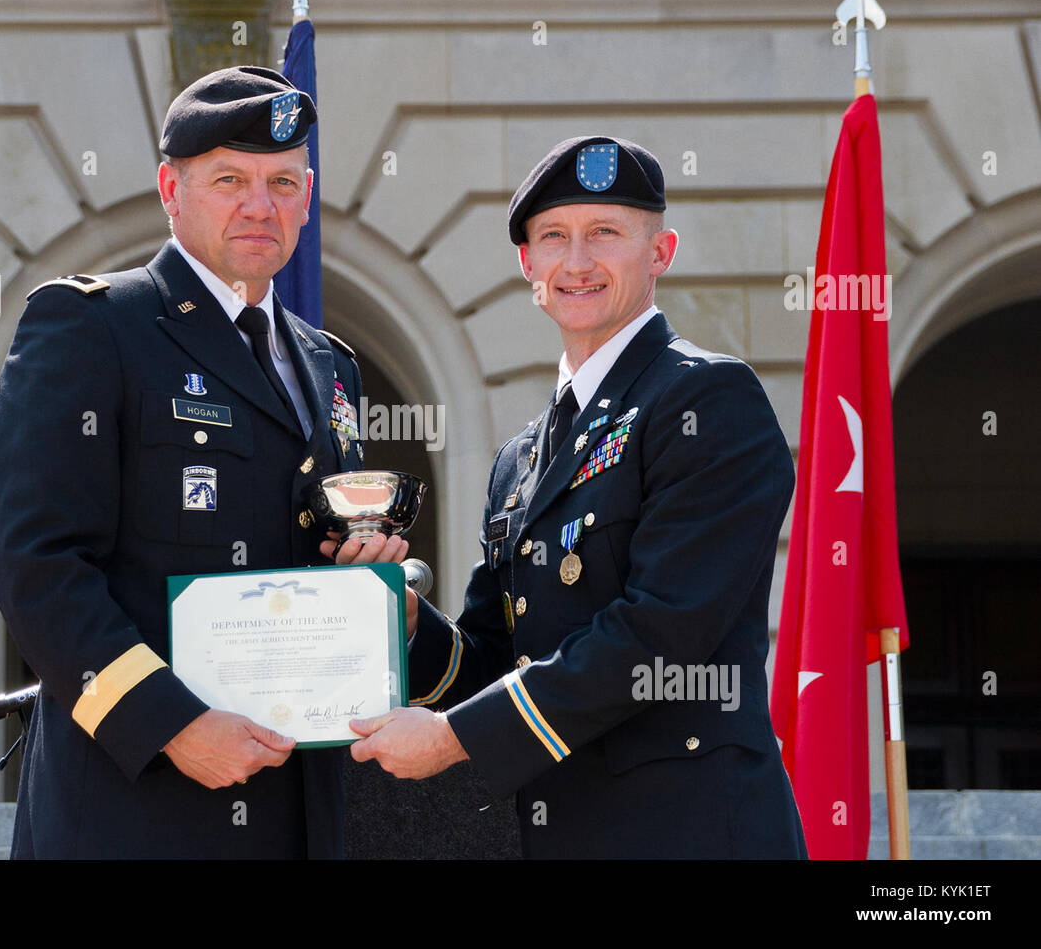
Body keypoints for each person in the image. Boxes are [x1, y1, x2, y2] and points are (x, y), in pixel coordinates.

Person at [342, 136, 808, 858]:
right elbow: (496, 654)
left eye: (606, 234)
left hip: (686, 831)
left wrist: (454, 738)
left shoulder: (706, 400)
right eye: (554, 237)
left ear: (661, 253)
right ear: (527, 265)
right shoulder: (522, 457)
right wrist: (406, 626)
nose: (578, 262)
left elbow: (662, 632)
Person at [0, 65, 405, 858]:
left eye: (283, 182)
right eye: (229, 180)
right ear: (170, 191)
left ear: (307, 199)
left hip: (298, 807)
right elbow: (38, 565)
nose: (260, 205)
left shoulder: (330, 365)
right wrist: (169, 724)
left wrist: (364, 576)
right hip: (134, 807)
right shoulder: (92, 328)